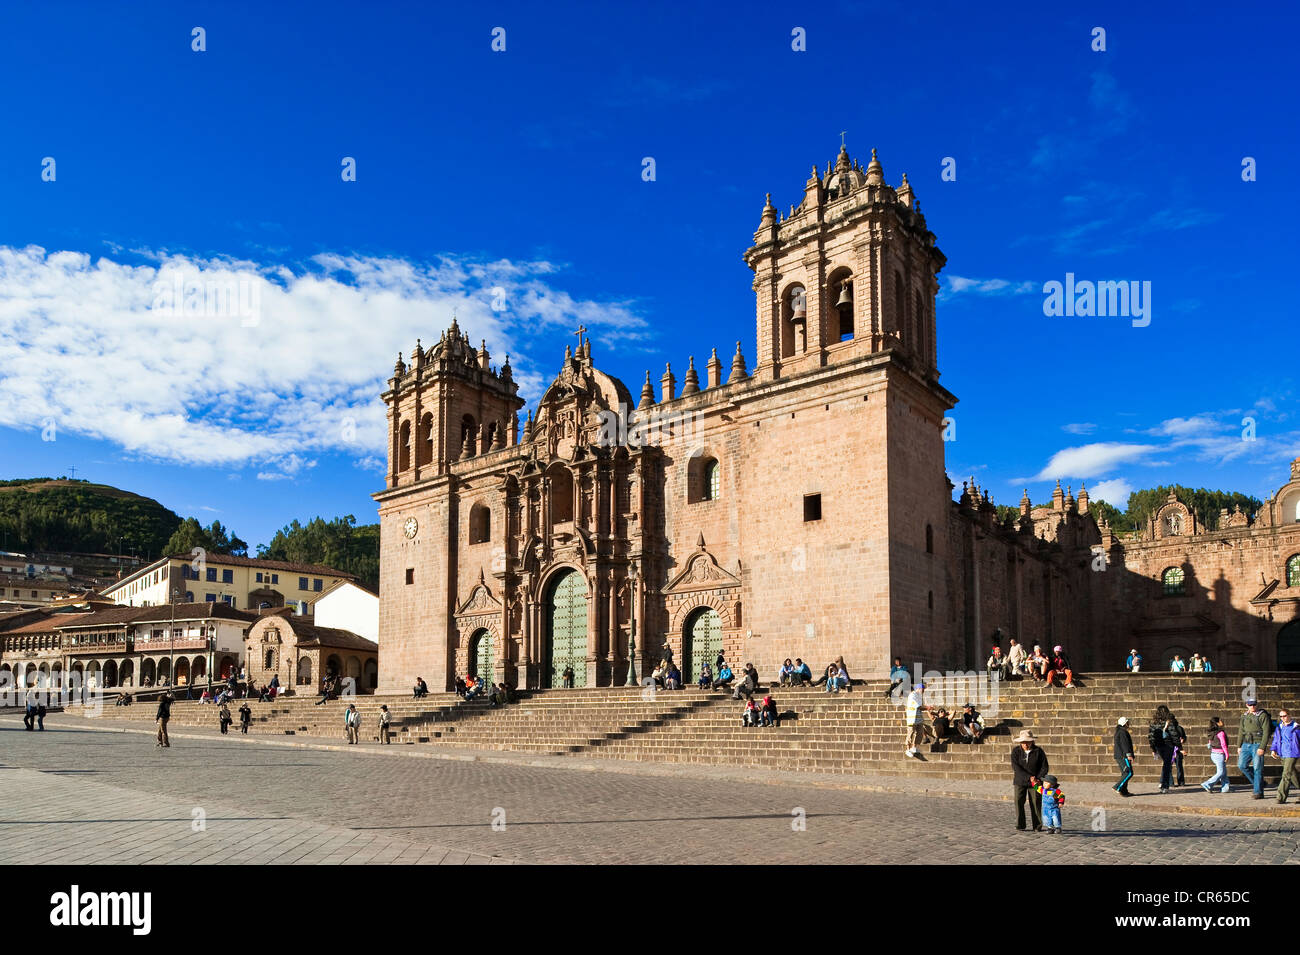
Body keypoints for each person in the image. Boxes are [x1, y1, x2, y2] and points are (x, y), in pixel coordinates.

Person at [1011, 730, 1049, 831]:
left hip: (1035, 782)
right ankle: (1020, 824)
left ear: (1032, 741)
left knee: (1036, 802)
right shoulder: (1016, 751)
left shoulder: (1039, 752)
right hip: (1020, 781)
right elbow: (1016, 768)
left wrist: (1037, 778)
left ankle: (1037, 825)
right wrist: (1029, 777)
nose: (1025, 744)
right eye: (1023, 742)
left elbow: (1044, 767)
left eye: (1028, 742)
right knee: (1018, 801)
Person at [1238, 698, 1272, 800]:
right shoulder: (1244, 716)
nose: (1252, 706)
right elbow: (1241, 731)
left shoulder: (1262, 715)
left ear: (1257, 705)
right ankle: (1260, 783)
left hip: (1257, 744)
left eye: (1254, 704)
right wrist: (1239, 746)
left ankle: (1258, 792)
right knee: (1242, 766)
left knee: (1258, 768)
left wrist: (1262, 747)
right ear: (1246, 705)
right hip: (1246, 744)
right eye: (1250, 705)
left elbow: (1266, 732)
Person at [1270, 708, 1300, 804]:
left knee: (1286, 774)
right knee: (1292, 774)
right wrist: (1273, 749)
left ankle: (1280, 797)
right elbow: (1276, 739)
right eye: (1281, 716)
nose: (1283, 718)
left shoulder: (1296, 727)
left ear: (1289, 715)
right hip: (1282, 753)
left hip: (1292, 753)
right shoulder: (1279, 727)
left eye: (1285, 716)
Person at [1148, 705, 1177, 793]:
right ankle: (1165, 786)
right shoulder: (1169, 722)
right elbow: (1174, 735)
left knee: (1166, 764)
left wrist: (1153, 748)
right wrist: (1179, 746)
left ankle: (1163, 784)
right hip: (1168, 745)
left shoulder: (1154, 723)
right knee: (1167, 765)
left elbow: (1150, 737)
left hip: (1158, 746)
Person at [1201, 716, 1231, 794]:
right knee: (1220, 772)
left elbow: (1209, 743)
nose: (1222, 722)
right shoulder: (1221, 733)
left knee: (1223, 772)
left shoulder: (1211, 732)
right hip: (1219, 754)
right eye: (1221, 721)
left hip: (1213, 754)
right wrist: (1227, 754)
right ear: (1217, 723)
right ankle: (1207, 784)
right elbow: (1223, 744)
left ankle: (1225, 788)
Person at [904, 682, 933, 758]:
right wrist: (927, 707)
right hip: (912, 718)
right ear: (919, 689)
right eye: (923, 690)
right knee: (910, 733)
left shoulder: (919, 696)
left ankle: (914, 747)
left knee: (920, 733)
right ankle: (907, 749)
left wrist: (927, 708)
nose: (923, 691)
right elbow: (918, 707)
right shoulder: (912, 695)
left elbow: (920, 707)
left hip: (919, 718)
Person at [1113, 716, 1134, 796]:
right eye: (1127, 722)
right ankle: (1117, 787)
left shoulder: (1119, 731)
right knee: (1129, 773)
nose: (1129, 724)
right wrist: (1129, 755)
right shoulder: (1122, 732)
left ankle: (1124, 791)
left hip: (1120, 756)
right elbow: (1125, 744)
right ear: (1124, 724)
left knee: (1124, 773)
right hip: (1123, 756)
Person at [1168, 712, 1188, 786]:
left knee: (1179, 766)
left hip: (1177, 750)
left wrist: (1183, 739)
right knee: (1170, 767)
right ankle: (1171, 782)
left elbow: (1184, 736)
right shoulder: (1166, 729)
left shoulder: (1179, 728)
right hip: (1171, 749)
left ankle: (1180, 781)